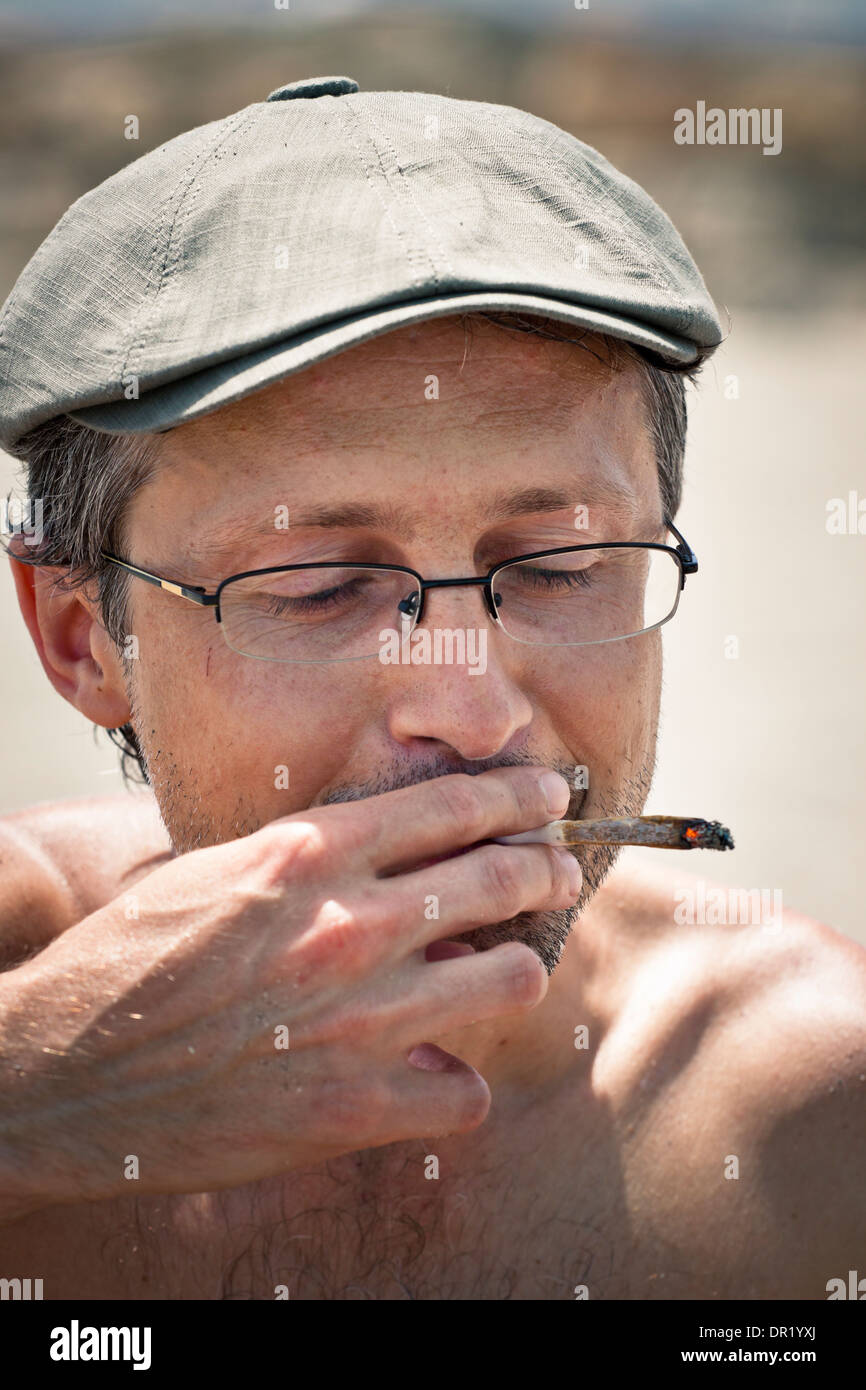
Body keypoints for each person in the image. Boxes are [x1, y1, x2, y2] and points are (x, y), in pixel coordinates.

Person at [0, 77, 863, 1301]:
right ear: (84, 638)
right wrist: (38, 1095)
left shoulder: (808, 1109)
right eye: (314, 585)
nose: (473, 710)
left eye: (563, 566)